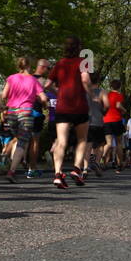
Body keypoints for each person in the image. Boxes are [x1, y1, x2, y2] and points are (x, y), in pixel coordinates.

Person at [47, 36, 92, 189]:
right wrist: (92, 95)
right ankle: (76, 169)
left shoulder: (59, 64)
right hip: (79, 105)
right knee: (82, 139)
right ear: (79, 48)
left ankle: (58, 174)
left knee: (61, 141)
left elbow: (47, 84)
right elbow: (85, 79)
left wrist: (58, 92)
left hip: (63, 106)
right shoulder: (82, 62)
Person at [1, 57, 49, 182]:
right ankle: (11, 171)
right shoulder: (33, 80)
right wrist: (44, 106)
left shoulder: (11, 78)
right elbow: (43, 98)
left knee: (19, 139)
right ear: (29, 66)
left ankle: (8, 158)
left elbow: (3, 95)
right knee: (22, 142)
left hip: (11, 113)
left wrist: (9, 103)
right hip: (26, 113)